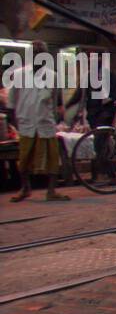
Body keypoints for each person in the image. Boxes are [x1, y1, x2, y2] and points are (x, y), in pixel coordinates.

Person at [8, 41, 70, 203]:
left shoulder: (53, 76)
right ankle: (25, 188)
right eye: (35, 52)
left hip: (46, 123)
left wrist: (57, 121)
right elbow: (12, 102)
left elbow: (57, 102)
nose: (37, 56)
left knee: (52, 158)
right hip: (26, 122)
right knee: (24, 158)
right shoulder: (19, 74)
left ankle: (51, 191)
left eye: (40, 53)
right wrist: (15, 123)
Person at [67, 65, 116, 186]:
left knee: (100, 144)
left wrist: (111, 112)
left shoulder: (109, 75)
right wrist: (66, 106)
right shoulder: (88, 77)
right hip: (94, 116)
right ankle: (103, 175)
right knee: (100, 145)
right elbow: (78, 95)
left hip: (105, 115)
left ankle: (109, 175)